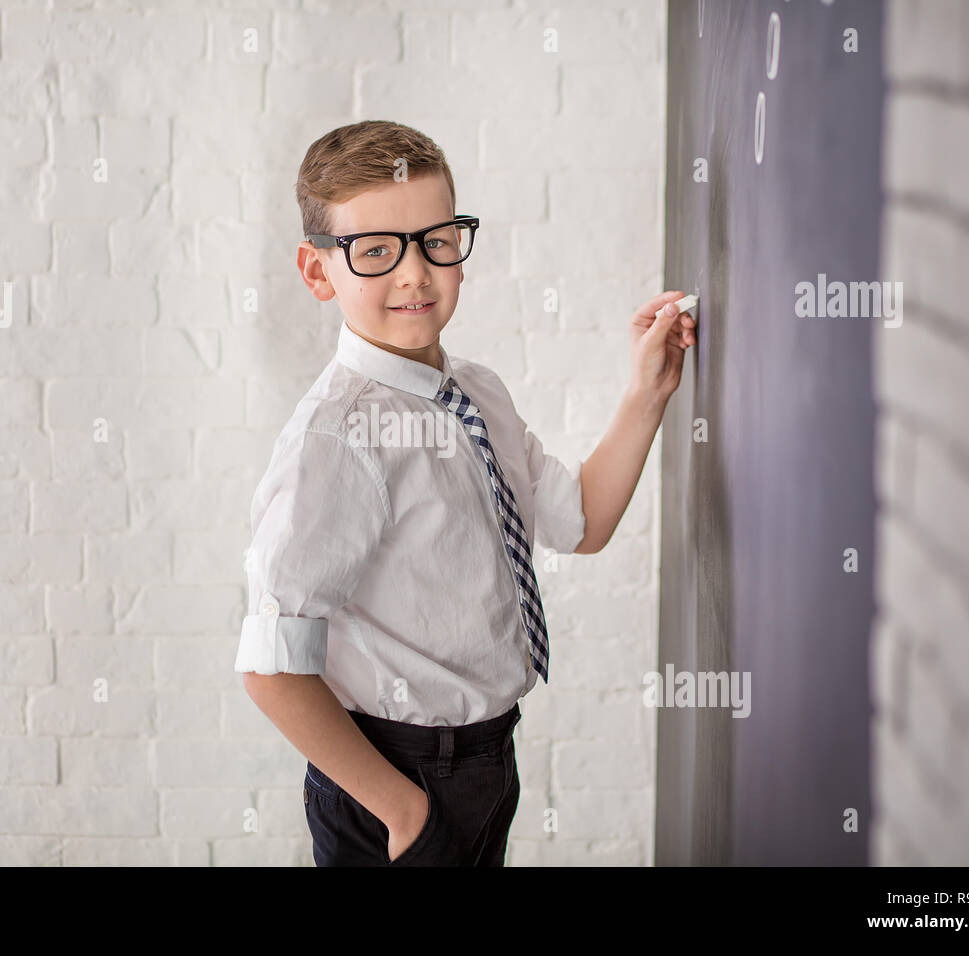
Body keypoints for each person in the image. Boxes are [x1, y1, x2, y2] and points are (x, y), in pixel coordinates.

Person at [234, 120, 697, 866]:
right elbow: (270, 666)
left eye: (436, 240)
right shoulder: (337, 437)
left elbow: (579, 522)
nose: (415, 274)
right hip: (395, 777)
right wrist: (404, 808)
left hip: (485, 760)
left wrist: (648, 389)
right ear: (319, 272)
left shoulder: (477, 393)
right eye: (375, 250)